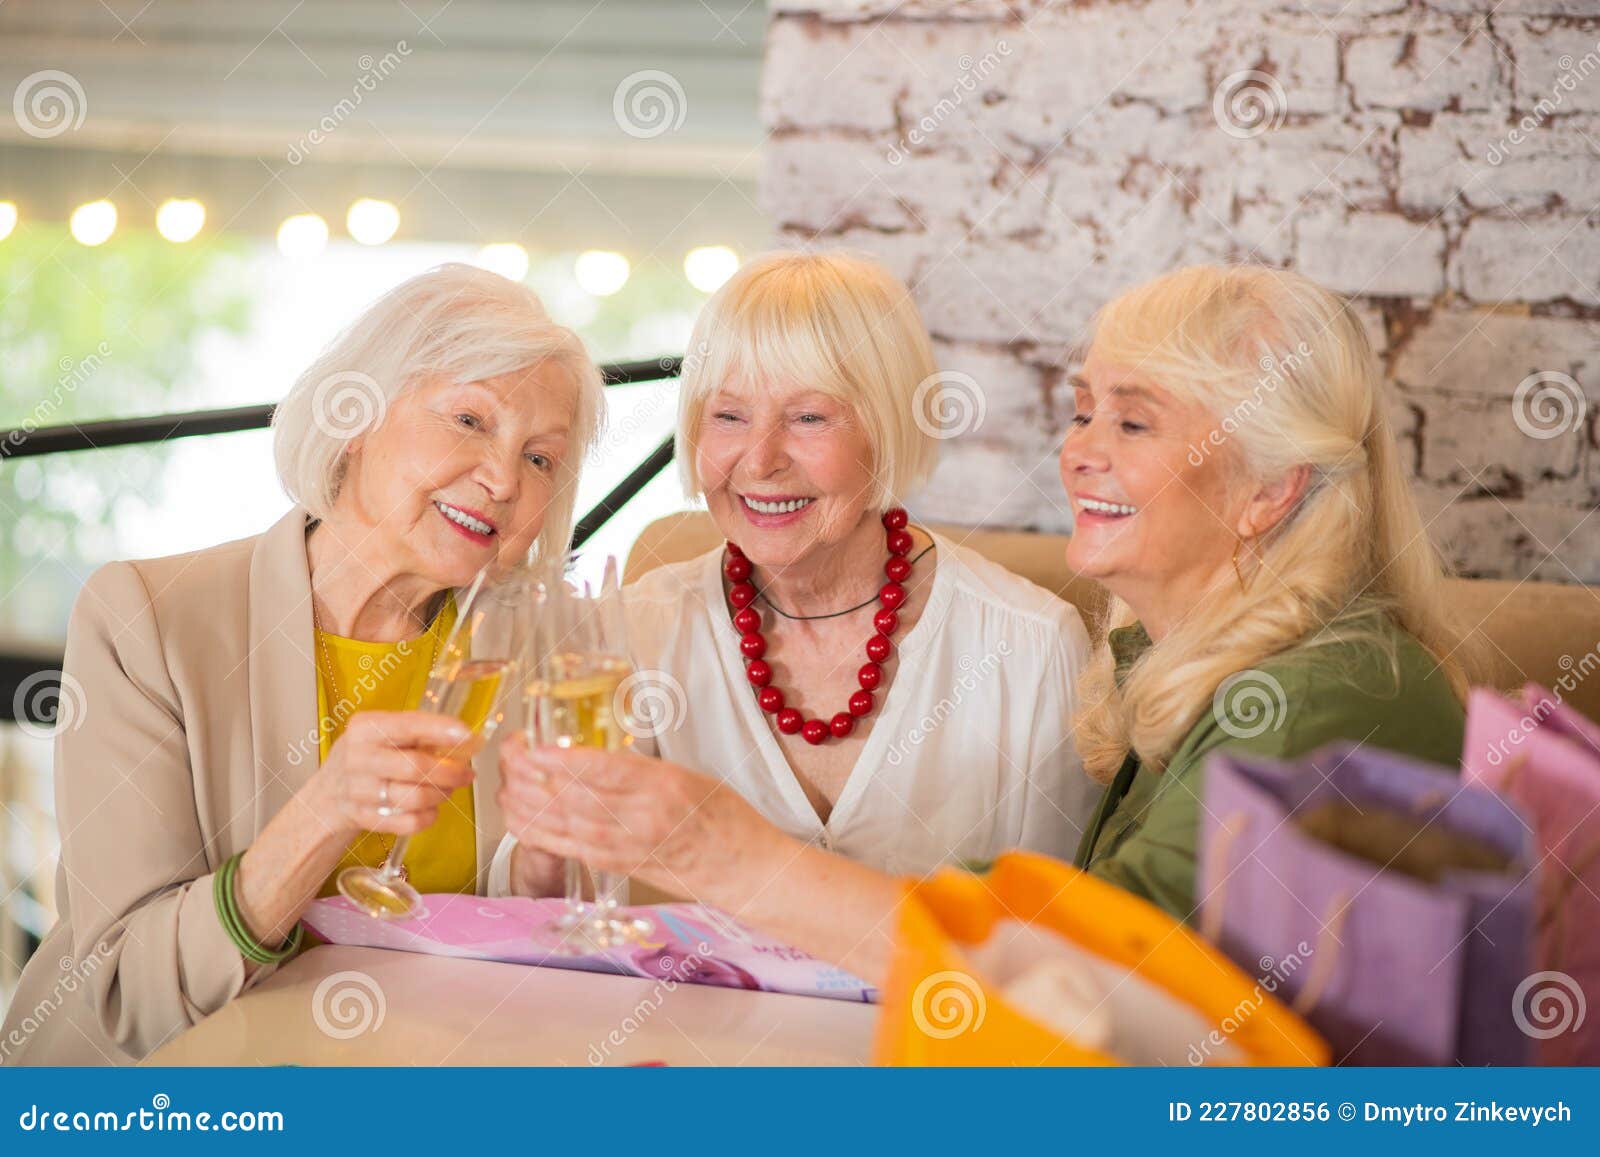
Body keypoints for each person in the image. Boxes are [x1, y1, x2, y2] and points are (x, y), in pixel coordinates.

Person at [494, 263, 1479, 985]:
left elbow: (1103, 980)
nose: (1078, 452)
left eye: (1130, 424)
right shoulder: (1179, 667)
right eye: (1082, 411)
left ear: (1268, 488)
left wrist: (723, 849)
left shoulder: (1329, 688)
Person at [2, 264, 603, 1064]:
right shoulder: (147, 619)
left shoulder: (536, 648)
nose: (501, 478)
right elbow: (128, 992)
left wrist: (540, 877)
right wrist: (324, 814)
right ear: (355, 415)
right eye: (468, 419)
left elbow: (503, 954)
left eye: (539, 459)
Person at [491, 249, 1096, 903]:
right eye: (728, 416)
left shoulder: (1031, 645)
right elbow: (545, 905)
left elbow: (1058, 934)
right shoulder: (629, 629)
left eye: (809, 418)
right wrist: (545, 859)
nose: (760, 460)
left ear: (886, 424)